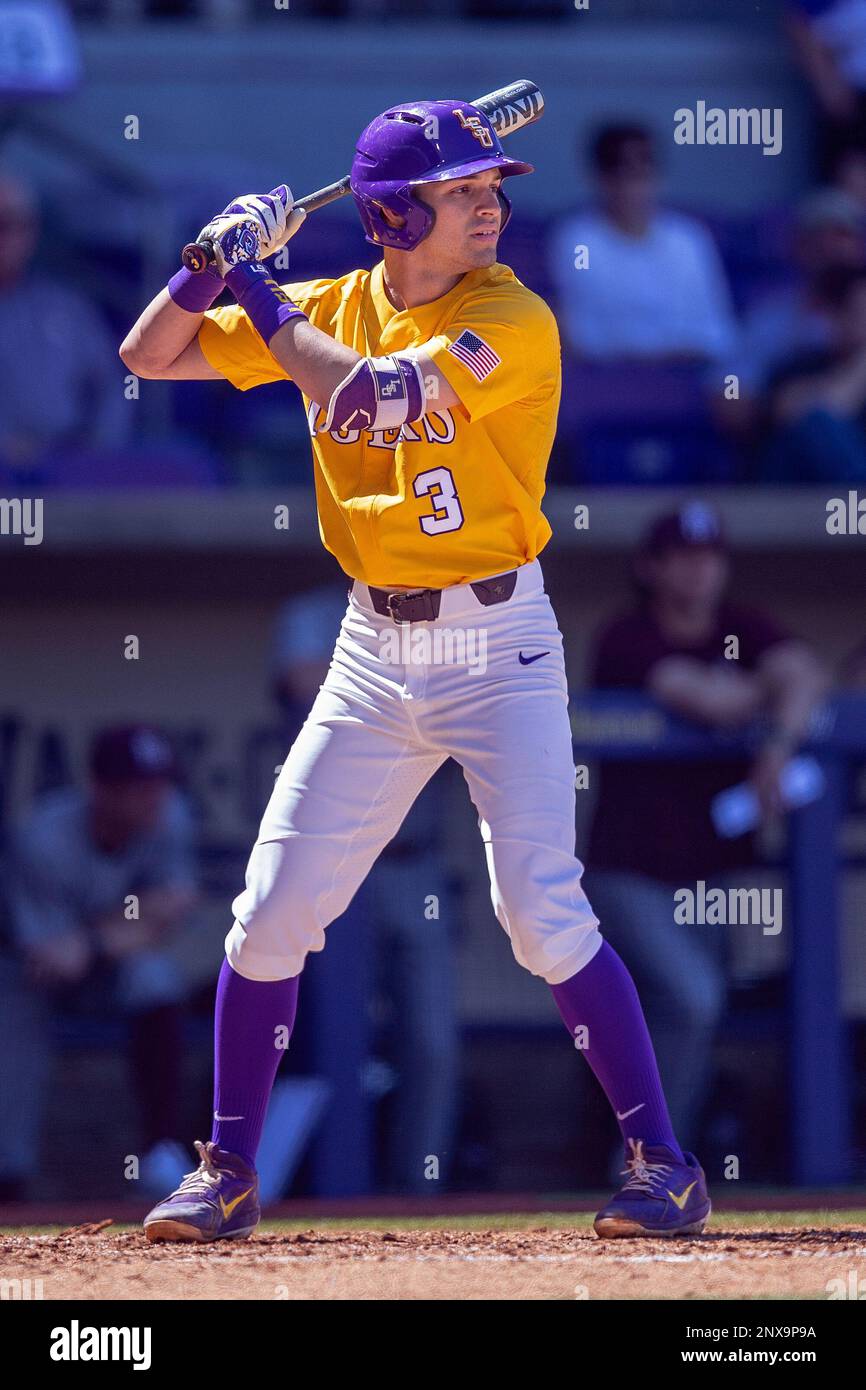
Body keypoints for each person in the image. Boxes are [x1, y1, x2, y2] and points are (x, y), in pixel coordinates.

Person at [121, 97, 712, 1242]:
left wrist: (248, 287)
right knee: (270, 912)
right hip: (371, 647)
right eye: (462, 191)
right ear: (390, 214)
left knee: (537, 911)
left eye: (494, 186)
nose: (492, 203)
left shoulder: (515, 314)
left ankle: (665, 1162)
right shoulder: (333, 300)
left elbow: (367, 398)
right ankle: (227, 1169)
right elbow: (148, 352)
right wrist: (205, 258)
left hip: (499, 641)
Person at [582, 503, 828, 1152]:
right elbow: (705, 699)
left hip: (710, 873)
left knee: (695, 1011)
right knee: (691, 1001)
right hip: (627, 873)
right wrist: (757, 691)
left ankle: (659, 1160)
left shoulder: (740, 625)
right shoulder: (626, 634)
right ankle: (645, 1160)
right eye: (684, 557)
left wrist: (774, 741)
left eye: (710, 556)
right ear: (651, 567)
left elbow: (805, 675)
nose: (700, 570)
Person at [271, 586, 460, 1194]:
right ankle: (333, 1195)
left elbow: (473, 701)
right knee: (333, 1038)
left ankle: (418, 1195)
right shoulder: (312, 613)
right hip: (339, 858)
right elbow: (308, 686)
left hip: (413, 862)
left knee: (431, 1042)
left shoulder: (459, 608)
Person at [0, 726, 199, 1200]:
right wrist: (133, 921)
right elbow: (51, 959)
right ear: (101, 791)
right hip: (28, 974)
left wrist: (92, 940)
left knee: (156, 978)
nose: (156, 796)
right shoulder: (44, 837)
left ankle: (161, 1154)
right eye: (139, 786)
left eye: (160, 782)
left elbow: (174, 906)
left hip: (105, 966)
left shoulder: (169, 817)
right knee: (14, 1019)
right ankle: (11, 1175)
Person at [547, 123, 736, 363]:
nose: (634, 185)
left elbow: (715, 329)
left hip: (685, 373)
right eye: (623, 172)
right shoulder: (575, 238)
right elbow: (579, 331)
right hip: (609, 376)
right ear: (601, 177)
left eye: (643, 171)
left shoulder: (689, 238)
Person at [0, 173, 128, 475]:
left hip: (65, 471)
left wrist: (92, 457)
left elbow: (112, 386)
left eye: (9, 224)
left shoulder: (66, 307)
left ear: (30, 232)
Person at [762, 262, 866, 480]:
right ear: (836, 317)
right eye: (861, 313)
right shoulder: (798, 366)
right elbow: (792, 412)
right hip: (802, 498)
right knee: (817, 422)